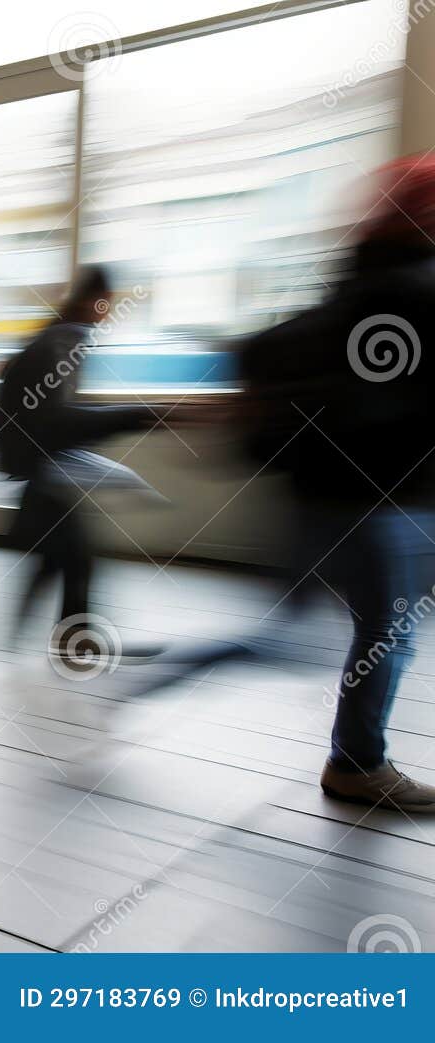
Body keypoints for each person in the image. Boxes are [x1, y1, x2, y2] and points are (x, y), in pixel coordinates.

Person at [235, 157, 435, 811]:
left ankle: (145, 678)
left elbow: (261, 348)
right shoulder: (414, 285)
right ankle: (355, 765)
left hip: (326, 492)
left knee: (299, 631)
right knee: (385, 631)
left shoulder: (361, 276)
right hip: (381, 495)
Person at [0, 265, 161, 664]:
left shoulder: (56, 339)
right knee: (75, 554)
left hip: (34, 465)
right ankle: (66, 640)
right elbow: (57, 421)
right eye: (106, 305)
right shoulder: (62, 343)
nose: (107, 315)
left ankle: (28, 636)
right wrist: (132, 416)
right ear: (94, 301)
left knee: (62, 556)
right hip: (41, 466)